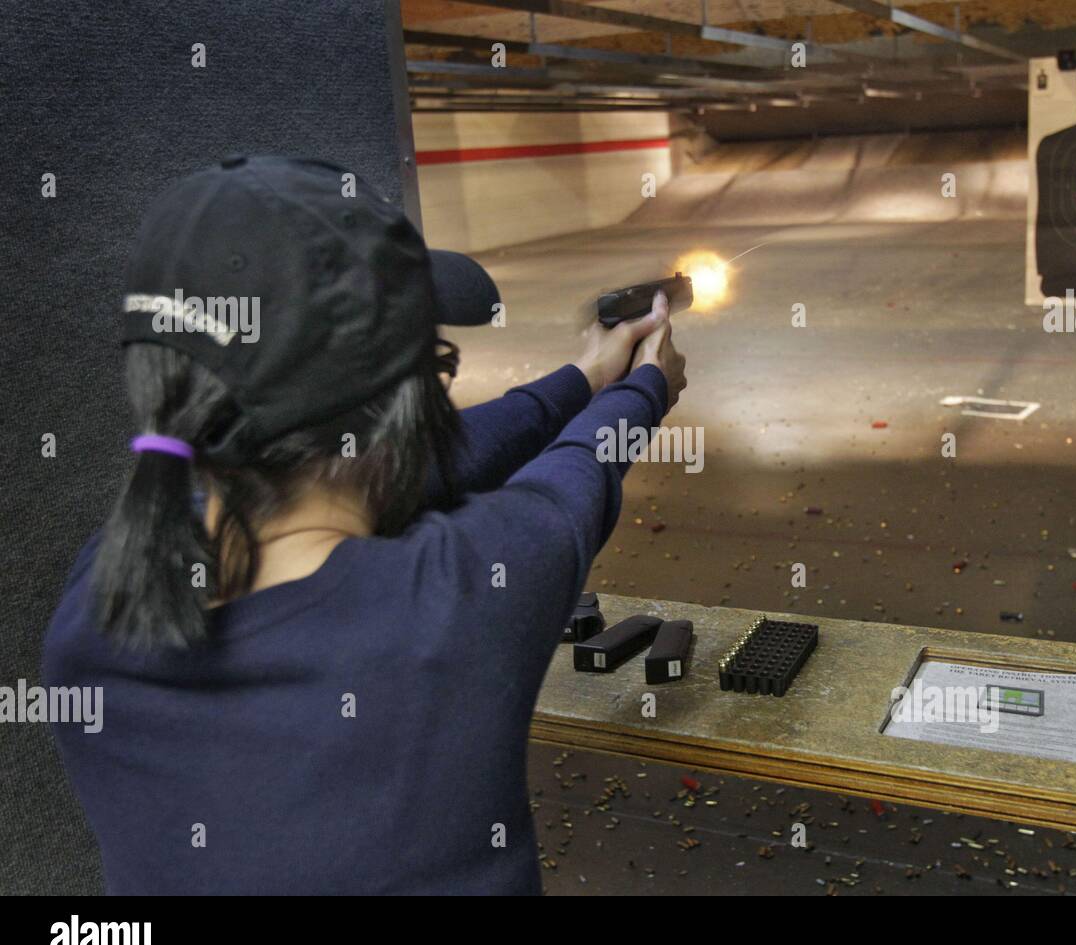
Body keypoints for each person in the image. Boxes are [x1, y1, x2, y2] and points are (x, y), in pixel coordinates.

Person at [42, 156, 687, 895]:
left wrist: (582, 378)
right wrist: (646, 385)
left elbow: (401, 469)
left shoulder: (94, 604)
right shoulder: (453, 609)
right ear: (404, 406)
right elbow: (572, 475)